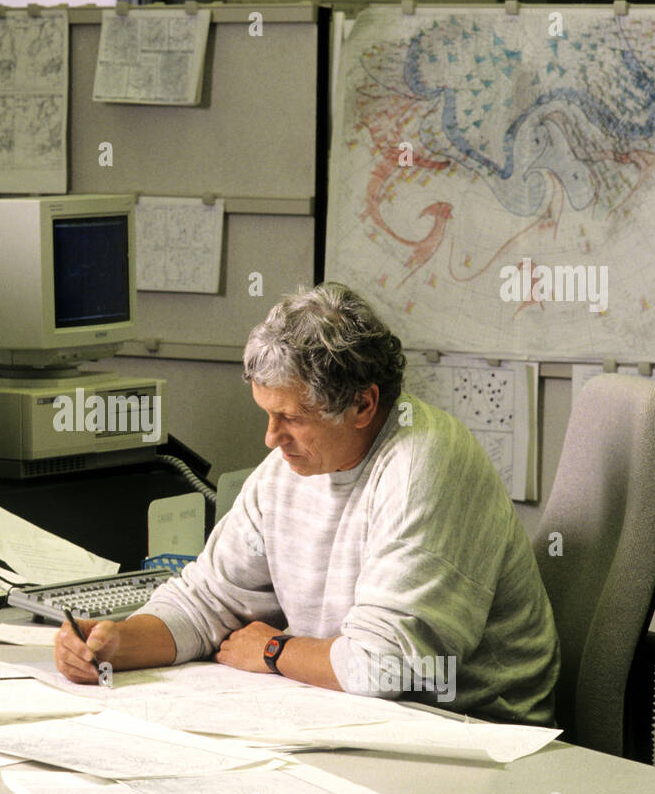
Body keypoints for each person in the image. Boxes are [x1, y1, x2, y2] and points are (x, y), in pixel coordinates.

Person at [54, 282, 560, 725]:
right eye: (268, 414)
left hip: (470, 731)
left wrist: (274, 650)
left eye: (291, 417)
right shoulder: (293, 467)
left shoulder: (421, 469)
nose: (271, 438)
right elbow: (208, 600)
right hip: (352, 712)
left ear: (362, 404)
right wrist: (117, 644)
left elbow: (384, 667)